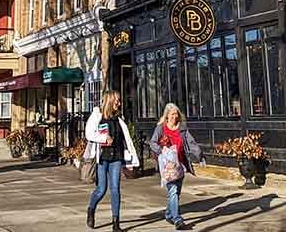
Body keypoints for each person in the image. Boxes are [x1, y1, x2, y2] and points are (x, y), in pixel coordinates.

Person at [84, 90, 139, 232]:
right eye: (117, 101)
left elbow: (125, 141)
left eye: (119, 101)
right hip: (103, 157)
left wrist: (130, 162)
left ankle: (116, 223)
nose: (119, 103)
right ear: (109, 101)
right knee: (102, 189)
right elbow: (89, 133)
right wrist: (103, 138)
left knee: (115, 189)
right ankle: (91, 209)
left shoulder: (119, 119)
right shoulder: (98, 115)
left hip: (117, 157)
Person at [149, 103, 204, 230]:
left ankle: (169, 214)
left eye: (176, 114)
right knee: (173, 190)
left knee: (176, 192)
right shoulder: (161, 128)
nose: (175, 116)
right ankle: (177, 219)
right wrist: (161, 150)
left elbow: (191, 143)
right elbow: (152, 142)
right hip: (167, 166)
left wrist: (200, 155)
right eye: (172, 114)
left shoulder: (182, 129)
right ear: (167, 116)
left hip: (180, 165)